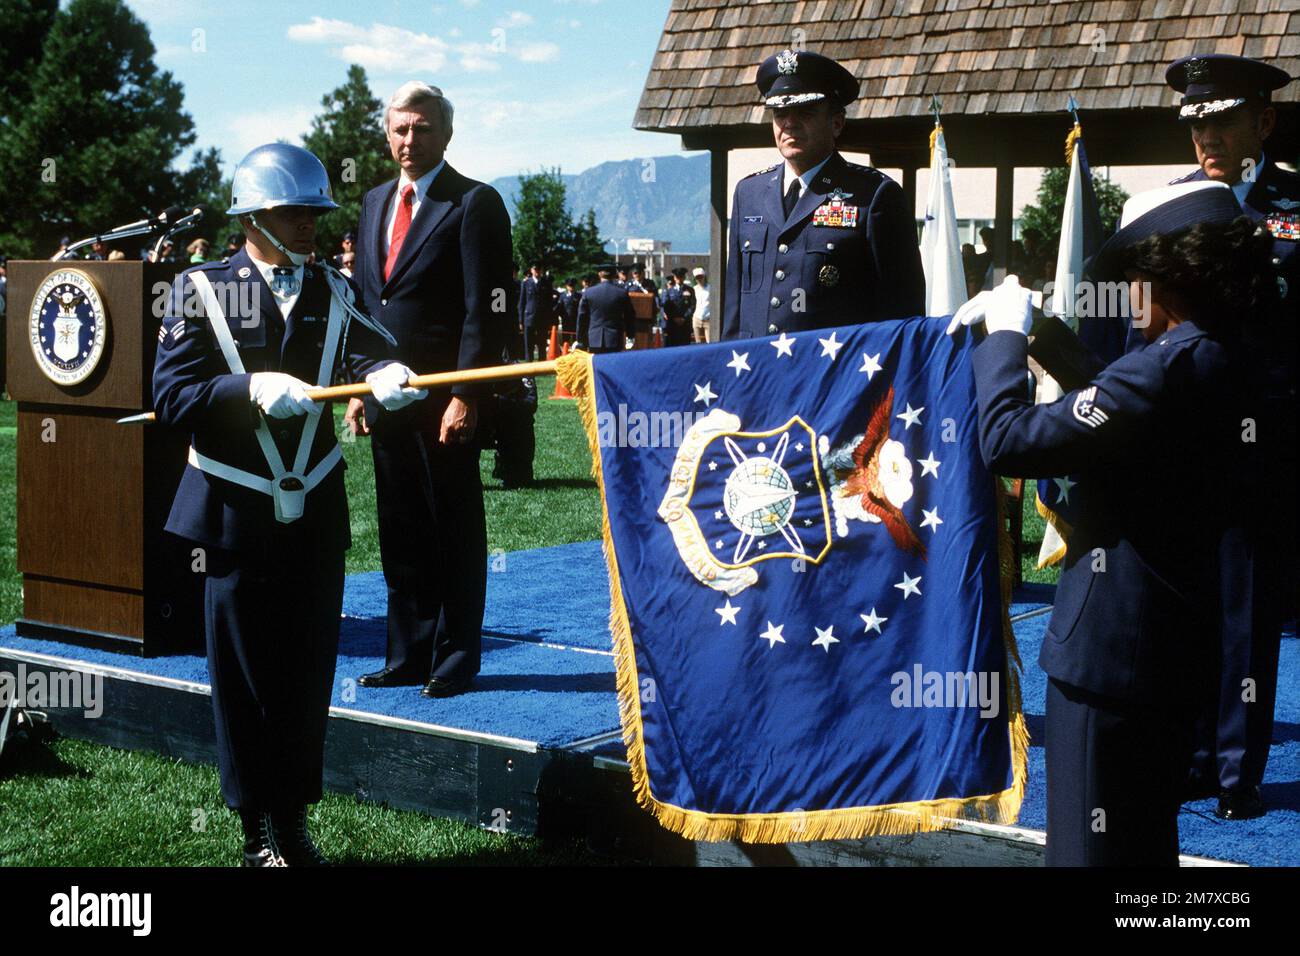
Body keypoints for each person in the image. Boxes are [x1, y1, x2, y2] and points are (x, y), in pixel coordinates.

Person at [952, 180, 1275, 865]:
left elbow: (1008, 440)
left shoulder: (1163, 372)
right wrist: (1042, 332)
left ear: (1167, 278)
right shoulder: (1224, 354)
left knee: (1088, 855)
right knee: (1140, 855)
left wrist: (1006, 339)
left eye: (1135, 277)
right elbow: (1118, 403)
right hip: (1171, 656)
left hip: (1108, 666)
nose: (1129, 295)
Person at [152, 143, 426, 866]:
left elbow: (368, 351)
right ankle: (253, 833)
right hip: (232, 514)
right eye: (292, 213)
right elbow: (172, 397)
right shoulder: (201, 289)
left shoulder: (333, 290)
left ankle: (293, 819)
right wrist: (246, 390)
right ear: (254, 217)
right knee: (243, 678)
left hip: (313, 508)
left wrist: (386, 372)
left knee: (306, 675)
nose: (310, 226)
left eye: (314, 213)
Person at [1161, 53, 1298, 821]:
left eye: (1221, 120)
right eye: (1196, 122)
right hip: (1182, 441)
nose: (1206, 136)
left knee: (1246, 611)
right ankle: (1188, 754)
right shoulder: (1174, 207)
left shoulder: (1295, 207)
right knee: (1182, 602)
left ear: (1263, 123)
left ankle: (1237, 772)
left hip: (1266, 446)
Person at [346, 80, 513, 699]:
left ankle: (454, 658)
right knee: (401, 528)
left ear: (445, 132)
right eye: (399, 129)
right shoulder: (372, 204)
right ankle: (408, 653)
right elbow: (367, 304)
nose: (408, 140)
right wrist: (358, 385)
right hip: (385, 397)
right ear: (387, 134)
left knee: (452, 527)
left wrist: (467, 394)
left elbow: (486, 309)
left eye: (421, 128)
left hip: (445, 401)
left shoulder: (473, 203)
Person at [723, 50, 923, 340]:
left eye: (805, 112)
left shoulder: (875, 196)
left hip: (833, 378)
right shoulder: (749, 193)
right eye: (780, 113)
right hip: (759, 376)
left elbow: (901, 313)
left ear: (837, 123)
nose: (789, 124)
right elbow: (734, 309)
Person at [577, 264, 635, 354]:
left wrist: (580, 339)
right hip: (614, 339)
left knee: (595, 366)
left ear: (599, 274)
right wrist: (630, 335)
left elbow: (582, 317)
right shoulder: (621, 293)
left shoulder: (589, 292)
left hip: (594, 338)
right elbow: (629, 315)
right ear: (614, 275)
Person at [518, 263, 551, 360]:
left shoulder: (547, 283)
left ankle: (541, 363)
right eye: (535, 269)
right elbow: (522, 302)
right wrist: (520, 320)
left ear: (541, 270)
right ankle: (529, 363)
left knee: (542, 342)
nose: (537, 271)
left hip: (542, 317)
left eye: (538, 269)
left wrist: (549, 319)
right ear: (531, 270)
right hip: (529, 317)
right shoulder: (526, 283)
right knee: (529, 343)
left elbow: (549, 303)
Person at [691, 267, 711, 343]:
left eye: (701, 277)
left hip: (708, 318)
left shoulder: (710, 288)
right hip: (697, 318)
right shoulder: (694, 289)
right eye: (697, 277)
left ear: (704, 276)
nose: (699, 279)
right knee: (697, 342)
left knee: (709, 341)